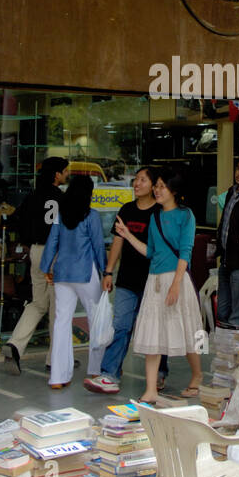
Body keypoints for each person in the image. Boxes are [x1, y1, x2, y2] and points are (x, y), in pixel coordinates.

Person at [115, 166, 204, 404]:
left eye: (161, 186)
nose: (156, 190)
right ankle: (151, 389)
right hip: (154, 281)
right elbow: (151, 251)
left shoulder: (186, 216)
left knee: (188, 330)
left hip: (177, 278)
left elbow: (185, 252)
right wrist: (127, 235)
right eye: (156, 186)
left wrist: (175, 284)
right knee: (153, 334)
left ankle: (197, 374)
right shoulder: (154, 216)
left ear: (174, 190)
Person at [84, 166, 168, 396]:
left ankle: (160, 371)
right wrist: (109, 271)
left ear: (153, 185)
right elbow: (118, 242)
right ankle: (109, 374)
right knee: (121, 326)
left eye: (142, 180)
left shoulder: (160, 213)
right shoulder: (127, 210)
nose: (136, 184)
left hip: (153, 280)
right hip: (127, 279)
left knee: (155, 328)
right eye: (136, 180)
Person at [3, 157, 70, 373]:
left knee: (37, 303)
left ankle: (15, 343)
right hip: (56, 254)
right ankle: (54, 359)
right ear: (56, 174)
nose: (66, 174)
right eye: (64, 171)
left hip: (36, 251)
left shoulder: (31, 196)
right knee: (56, 308)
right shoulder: (61, 197)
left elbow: (16, 221)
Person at [41, 174, 107, 389]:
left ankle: (58, 377)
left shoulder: (60, 215)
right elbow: (98, 247)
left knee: (61, 323)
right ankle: (96, 371)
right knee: (97, 320)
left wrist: (46, 268)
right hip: (86, 273)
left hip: (62, 274)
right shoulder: (91, 216)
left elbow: (52, 242)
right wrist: (107, 272)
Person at [216, 158, 239, 329]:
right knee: (222, 311)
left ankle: (234, 351)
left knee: (236, 315)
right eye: (238, 169)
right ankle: (224, 348)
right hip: (226, 259)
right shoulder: (231, 193)